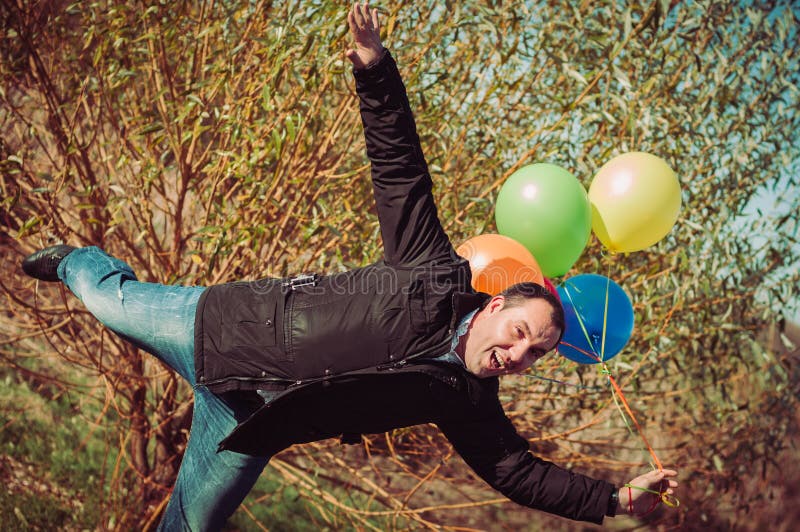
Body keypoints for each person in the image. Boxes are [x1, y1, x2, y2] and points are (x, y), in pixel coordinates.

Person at [21, 3, 678, 530]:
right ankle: (78, 259)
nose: (518, 354)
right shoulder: (434, 272)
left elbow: (516, 472)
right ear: (497, 306)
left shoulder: (468, 401)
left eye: (535, 354)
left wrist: (615, 503)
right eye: (520, 333)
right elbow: (401, 174)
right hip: (218, 328)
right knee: (106, 297)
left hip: (248, 428)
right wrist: (375, 69)